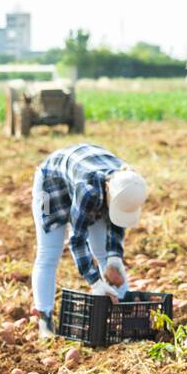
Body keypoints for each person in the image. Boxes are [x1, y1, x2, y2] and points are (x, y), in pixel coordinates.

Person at [31, 143, 148, 339]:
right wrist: (95, 282)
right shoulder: (88, 190)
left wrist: (114, 258)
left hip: (90, 180)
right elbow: (77, 239)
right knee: (49, 252)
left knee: (104, 252)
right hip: (53, 185)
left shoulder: (129, 181)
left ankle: (121, 315)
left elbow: (117, 221)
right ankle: (45, 320)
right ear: (108, 191)